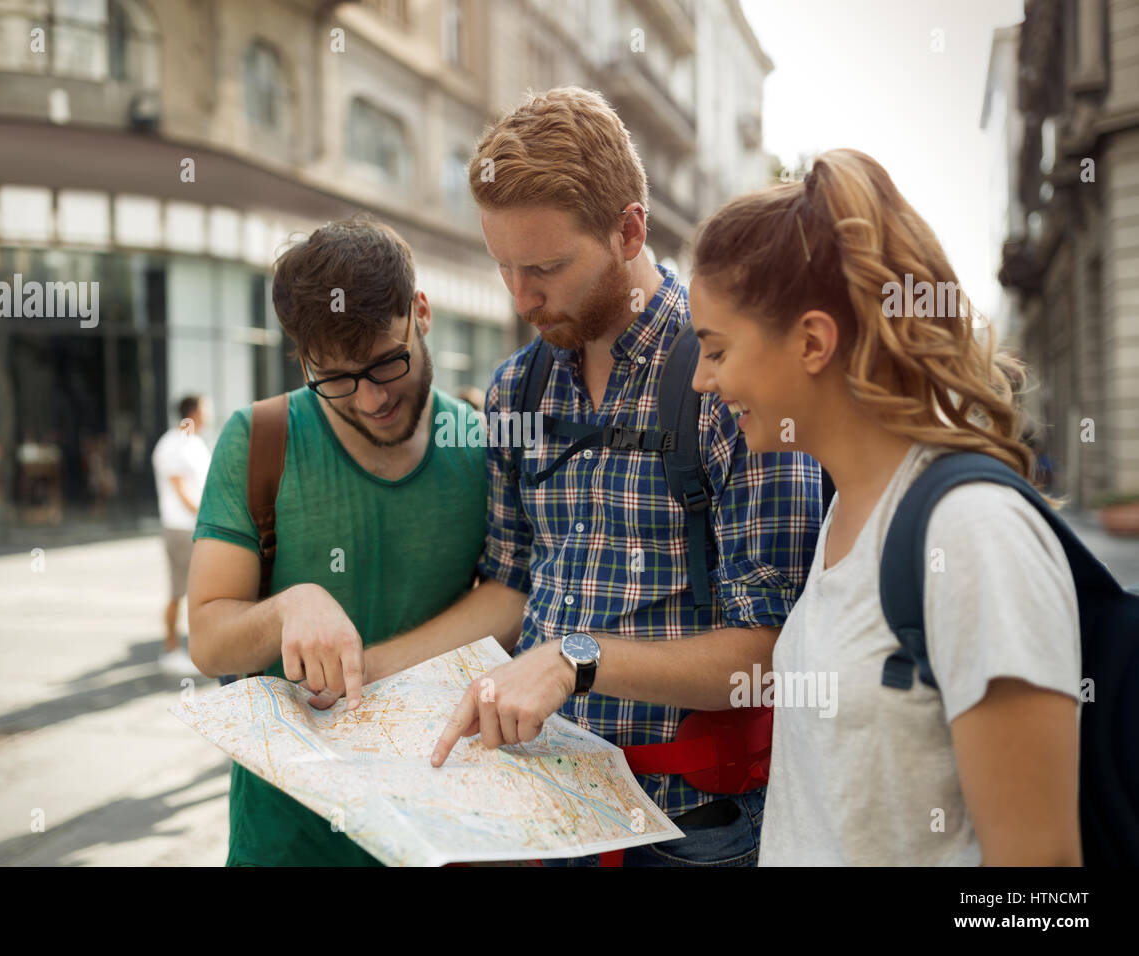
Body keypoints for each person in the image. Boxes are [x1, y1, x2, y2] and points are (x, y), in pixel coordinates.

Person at [301, 88, 822, 867]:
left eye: (545, 267)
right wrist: (371, 673)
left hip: (690, 832)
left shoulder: (730, 380)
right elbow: (512, 590)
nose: (521, 297)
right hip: (539, 817)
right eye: (503, 267)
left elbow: (772, 655)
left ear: (629, 229)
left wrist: (576, 657)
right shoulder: (519, 388)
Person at [690, 148, 1081, 865]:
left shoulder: (973, 537)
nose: (699, 380)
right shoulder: (843, 515)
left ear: (812, 341)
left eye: (716, 349)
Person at [187, 216, 489, 866]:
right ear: (303, 360)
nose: (374, 398)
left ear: (422, 312)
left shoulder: (479, 445)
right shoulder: (259, 439)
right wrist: (289, 605)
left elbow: (511, 600)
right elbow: (209, 641)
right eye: (338, 378)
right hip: (285, 839)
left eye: (388, 363)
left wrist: (376, 667)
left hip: (438, 827)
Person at [151, 395, 211, 676]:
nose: (210, 412)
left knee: (203, 589)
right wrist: (208, 514)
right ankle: (171, 650)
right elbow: (180, 491)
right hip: (180, 528)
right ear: (192, 412)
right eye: (206, 407)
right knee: (179, 591)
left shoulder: (196, 444)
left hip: (198, 527)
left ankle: (195, 649)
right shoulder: (172, 445)